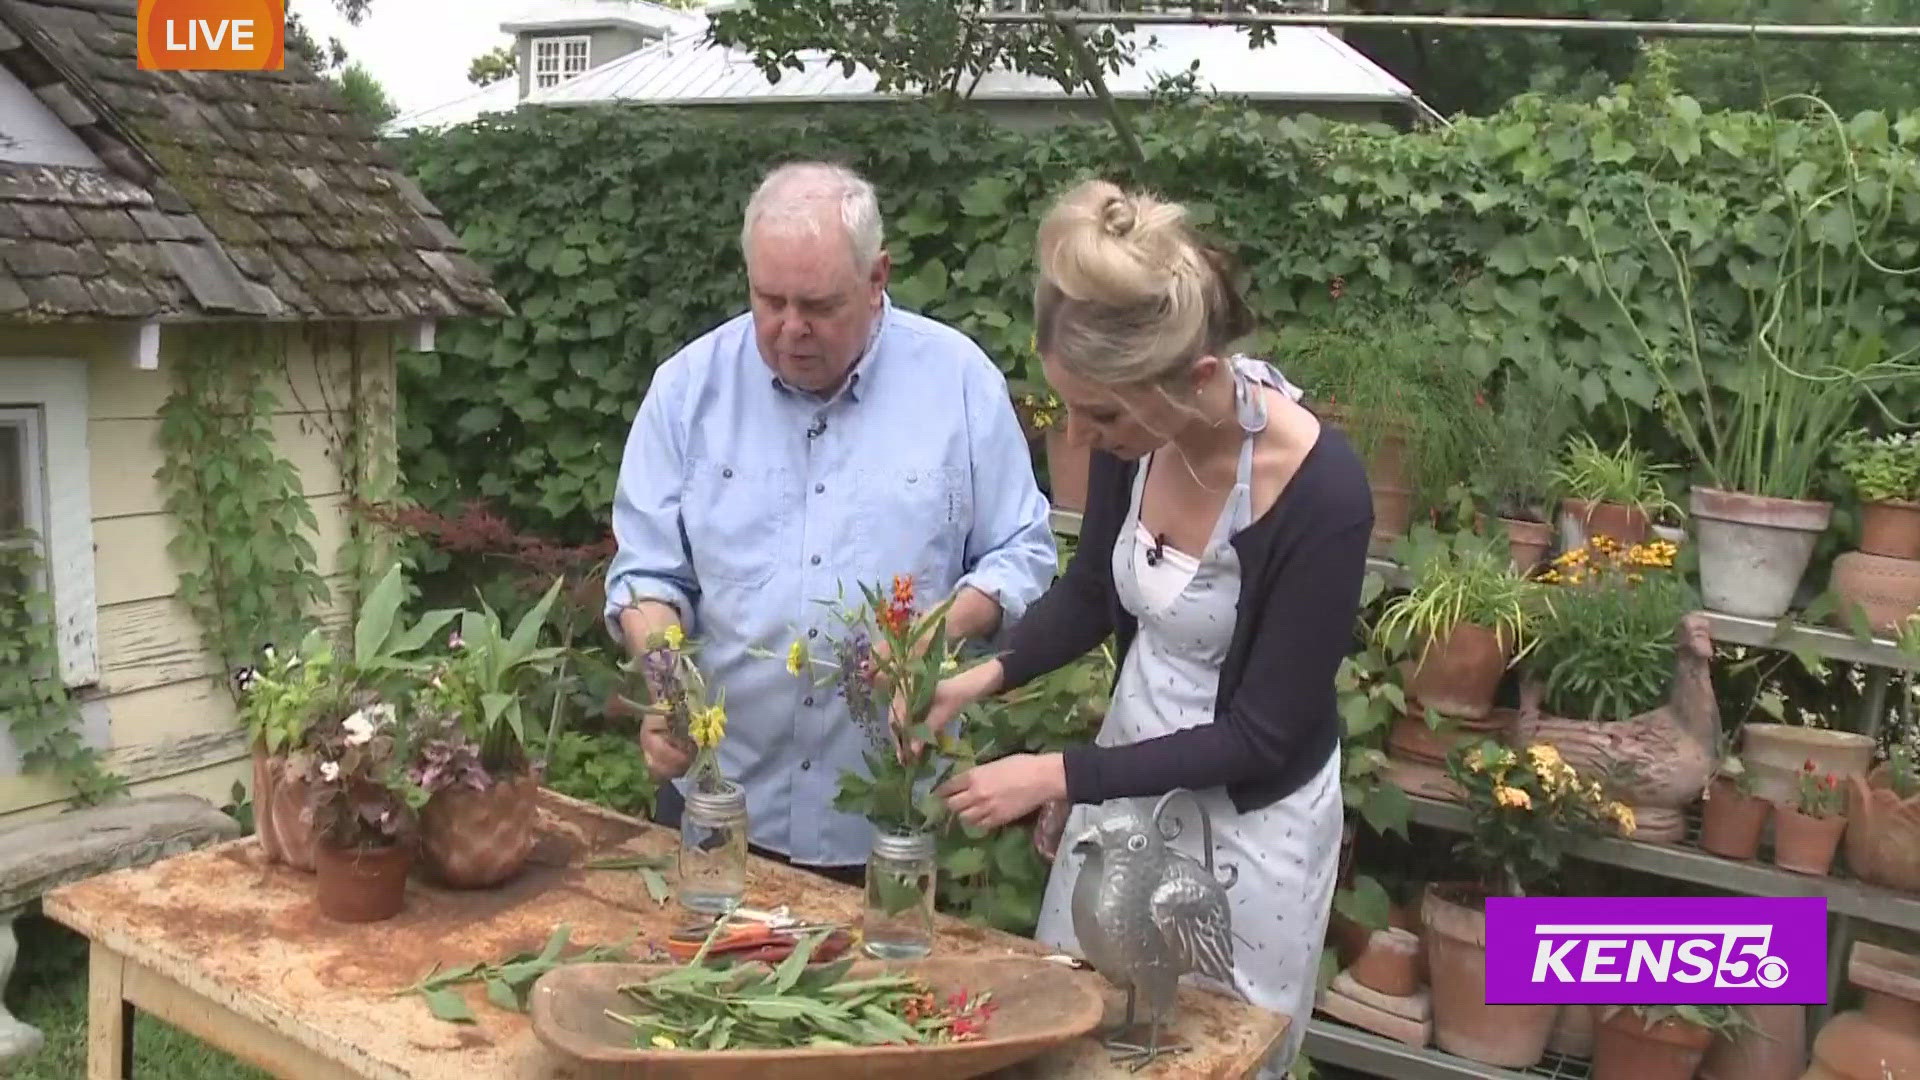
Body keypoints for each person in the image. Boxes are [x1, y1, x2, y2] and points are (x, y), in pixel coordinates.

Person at [920, 179, 1375, 1075]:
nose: (1083, 438)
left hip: (1252, 827)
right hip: (1124, 785)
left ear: (1198, 378)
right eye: (1073, 409)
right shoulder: (1137, 441)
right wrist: (982, 675)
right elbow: (1095, 592)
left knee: (1206, 1051)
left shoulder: (1322, 494)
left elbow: (1260, 733)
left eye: (1103, 414)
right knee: (1086, 1038)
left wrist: (1058, 773)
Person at [602, 161, 1058, 884]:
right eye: (769, 300)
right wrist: (666, 687)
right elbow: (648, 575)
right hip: (716, 805)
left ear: (878, 278)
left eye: (817, 305)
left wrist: (932, 632)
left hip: (886, 817)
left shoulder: (959, 383)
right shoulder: (689, 388)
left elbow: (1022, 554)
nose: (790, 329)